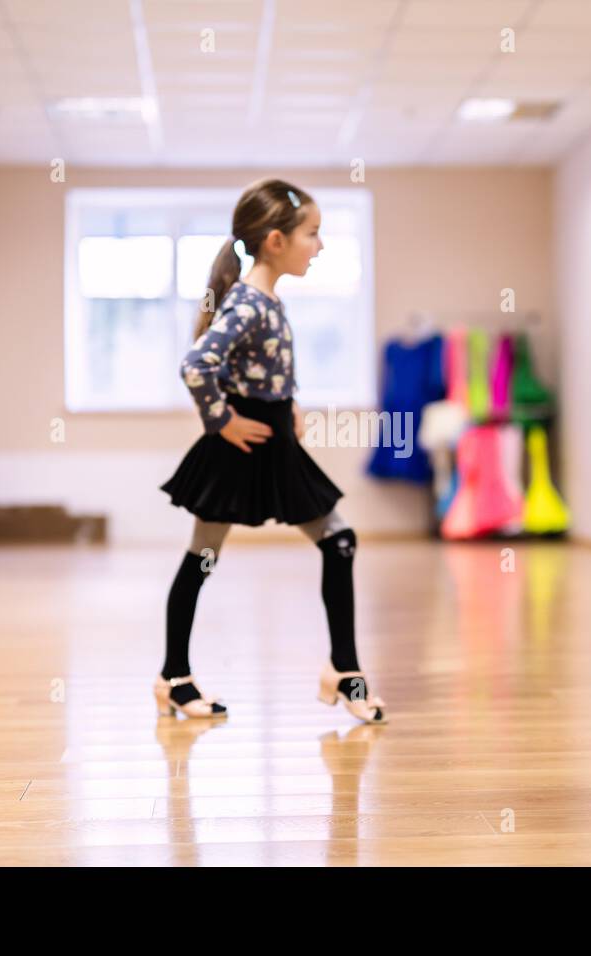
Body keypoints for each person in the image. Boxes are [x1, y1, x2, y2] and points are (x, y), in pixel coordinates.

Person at [157, 178, 385, 724]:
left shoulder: (267, 300)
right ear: (276, 240)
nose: (320, 246)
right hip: (241, 449)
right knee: (204, 557)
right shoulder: (249, 303)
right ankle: (174, 678)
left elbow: (261, 366)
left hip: (274, 443)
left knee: (340, 542)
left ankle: (343, 669)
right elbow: (196, 366)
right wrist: (223, 421)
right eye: (313, 234)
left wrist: (291, 403)